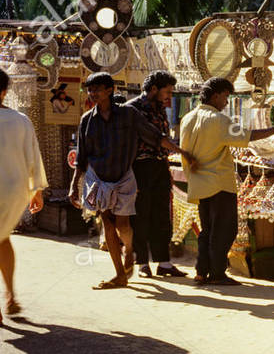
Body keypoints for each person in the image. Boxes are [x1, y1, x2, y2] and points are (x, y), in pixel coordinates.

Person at [68, 71, 183, 289]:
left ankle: (131, 253)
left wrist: (181, 152)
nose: (92, 94)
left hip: (125, 176)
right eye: (90, 90)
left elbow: (155, 137)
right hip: (100, 178)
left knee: (124, 223)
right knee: (108, 223)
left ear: (110, 90)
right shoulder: (86, 120)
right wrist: (74, 185)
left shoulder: (128, 114)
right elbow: (81, 156)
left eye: (97, 89)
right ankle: (120, 273)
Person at [180, 78, 274, 286]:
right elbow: (248, 136)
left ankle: (201, 271)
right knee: (223, 230)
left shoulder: (188, 118)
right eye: (225, 97)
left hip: (199, 183)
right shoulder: (217, 120)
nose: (226, 102)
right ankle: (217, 273)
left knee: (207, 230)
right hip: (219, 183)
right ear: (215, 96)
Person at [127, 70, 185, 277]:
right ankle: (142, 263)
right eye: (167, 92)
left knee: (161, 215)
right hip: (140, 168)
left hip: (160, 166)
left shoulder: (160, 108)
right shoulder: (132, 109)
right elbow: (154, 138)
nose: (169, 96)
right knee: (141, 215)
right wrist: (182, 152)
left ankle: (164, 262)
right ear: (153, 90)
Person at [0, 68, 47, 317]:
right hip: (13, 191)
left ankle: (7, 298)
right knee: (2, 238)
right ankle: (10, 294)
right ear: (4, 91)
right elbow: (33, 157)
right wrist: (36, 190)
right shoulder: (21, 120)